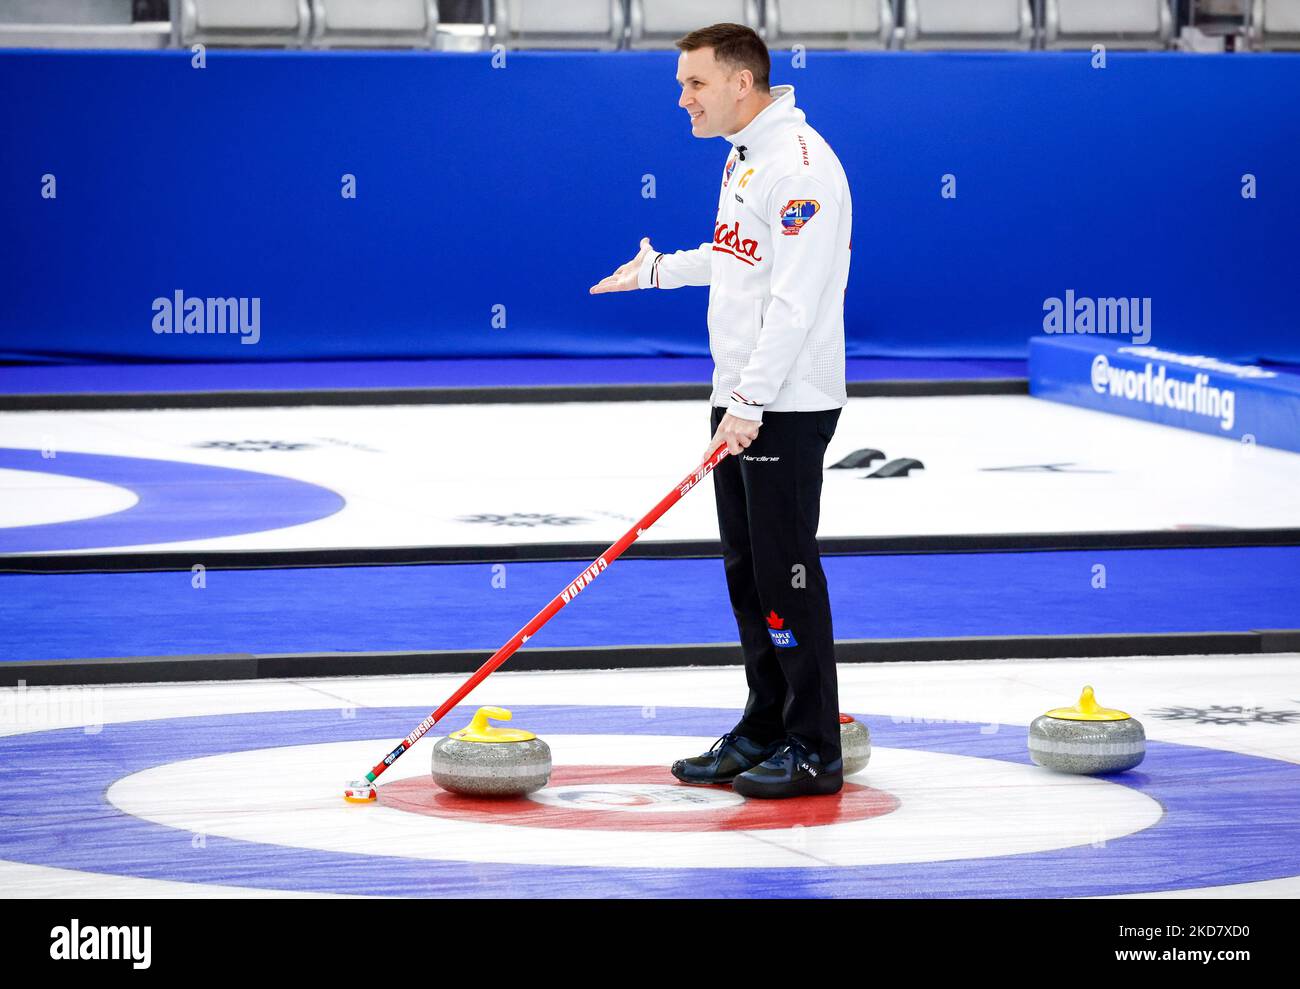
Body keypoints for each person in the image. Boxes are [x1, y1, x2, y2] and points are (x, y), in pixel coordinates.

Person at [589, 23, 851, 798]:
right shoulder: (747, 157)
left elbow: (797, 301)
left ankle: (814, 747)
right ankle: (764, 723)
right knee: (748, 572)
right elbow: (740, 256)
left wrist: (750, 402)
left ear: (742, 82)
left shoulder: (801, 168)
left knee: (787, 573)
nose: (683, 100)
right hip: (739, 400)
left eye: (694, 84)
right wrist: (659, 271)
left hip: (781, 405)